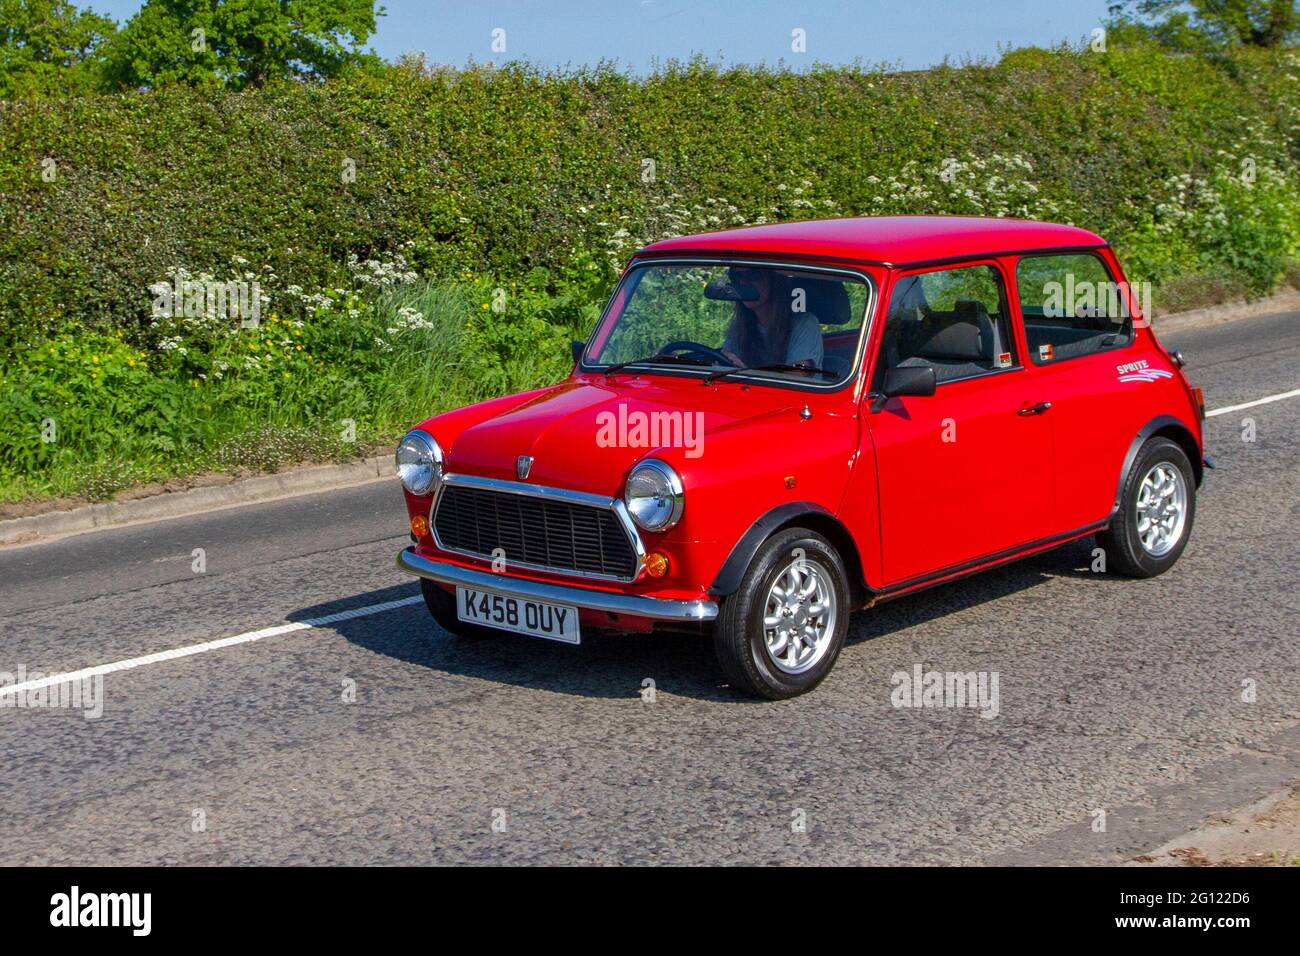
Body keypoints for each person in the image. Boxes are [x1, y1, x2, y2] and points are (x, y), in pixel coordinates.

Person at [720, 267, 824, 368]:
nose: (743, 283)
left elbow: (799, 373)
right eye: (736, 276)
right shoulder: (739, 327)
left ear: (774, 282)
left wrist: (747, 373)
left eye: (753, 275)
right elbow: (725, 358)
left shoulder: (805, 323)